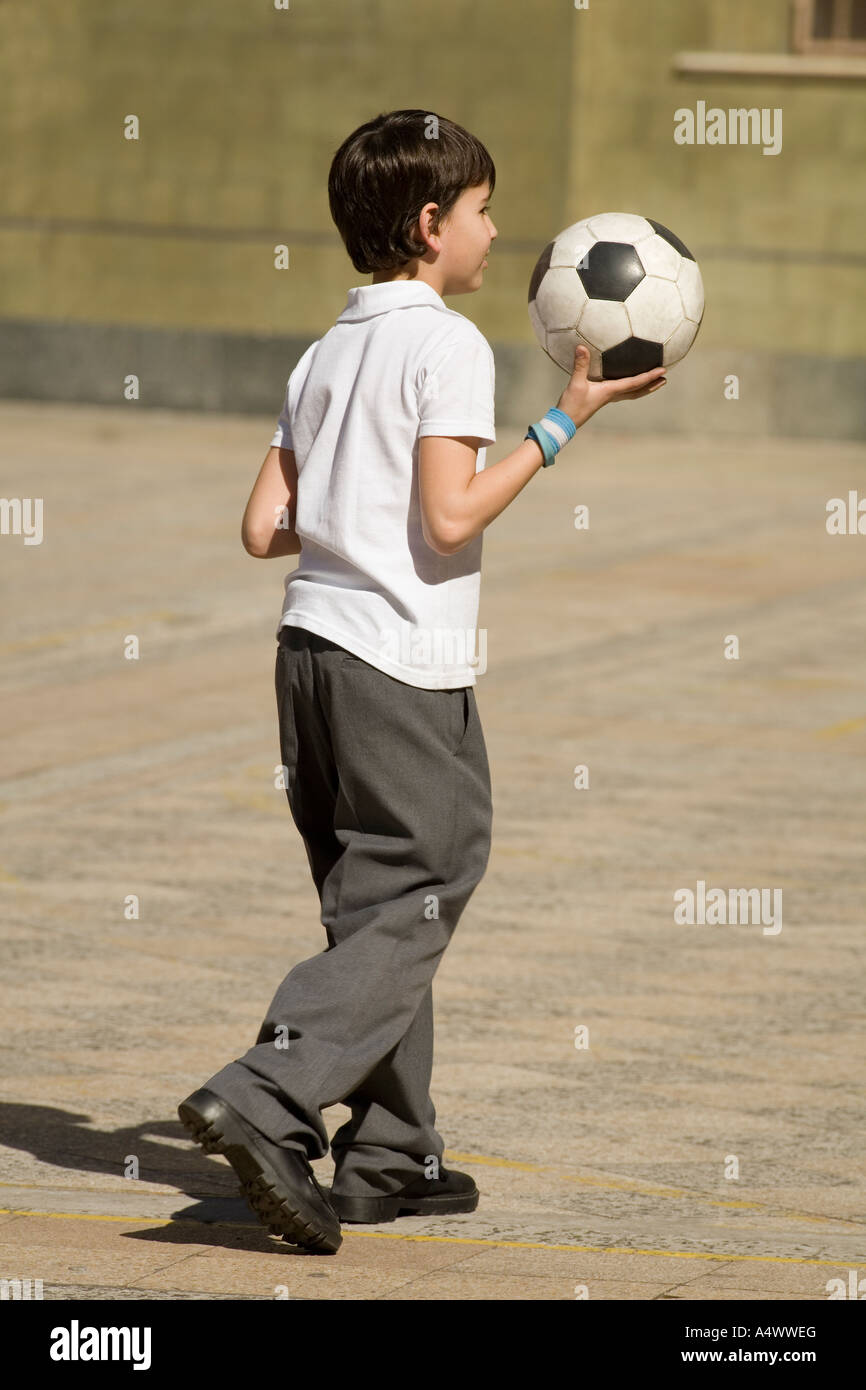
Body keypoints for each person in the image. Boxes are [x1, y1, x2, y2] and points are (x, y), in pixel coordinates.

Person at [178, 109, 667, 1255]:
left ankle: (393, 1153)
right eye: (484, 210)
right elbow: (448, 519)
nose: (498, 233)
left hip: (307, 662)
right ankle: (265, 1094)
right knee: (427, 880)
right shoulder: (446, 344)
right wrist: (561, 424)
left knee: (376, 905)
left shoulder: (321, 351)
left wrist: (350, 511)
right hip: (399, 663)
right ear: (427, 222)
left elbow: (262, 528)